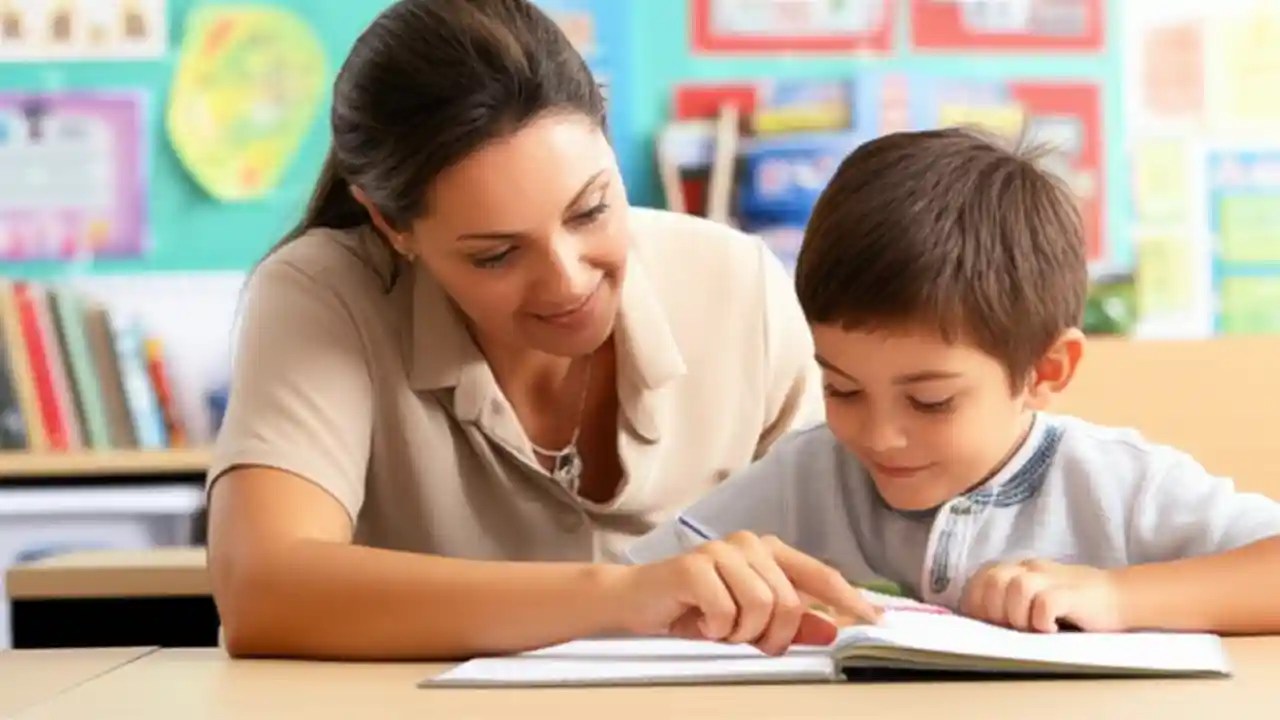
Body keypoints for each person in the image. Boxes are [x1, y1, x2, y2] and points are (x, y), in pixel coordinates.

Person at [206, 0, 879, 661]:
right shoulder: (325, 294)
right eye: (495, 255)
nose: (566, 282)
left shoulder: (738, 285)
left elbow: (871, 550)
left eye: (590, 211)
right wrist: (619, 597)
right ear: (391, 226)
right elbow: (263, 590)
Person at [624, 128, 1280, 634]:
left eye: (930, 400)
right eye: (842, 389)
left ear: (1046, 371)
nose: (878, 435)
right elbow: (630, 586)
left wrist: (1117, 596)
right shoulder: (807, 476)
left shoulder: (1118, 485)